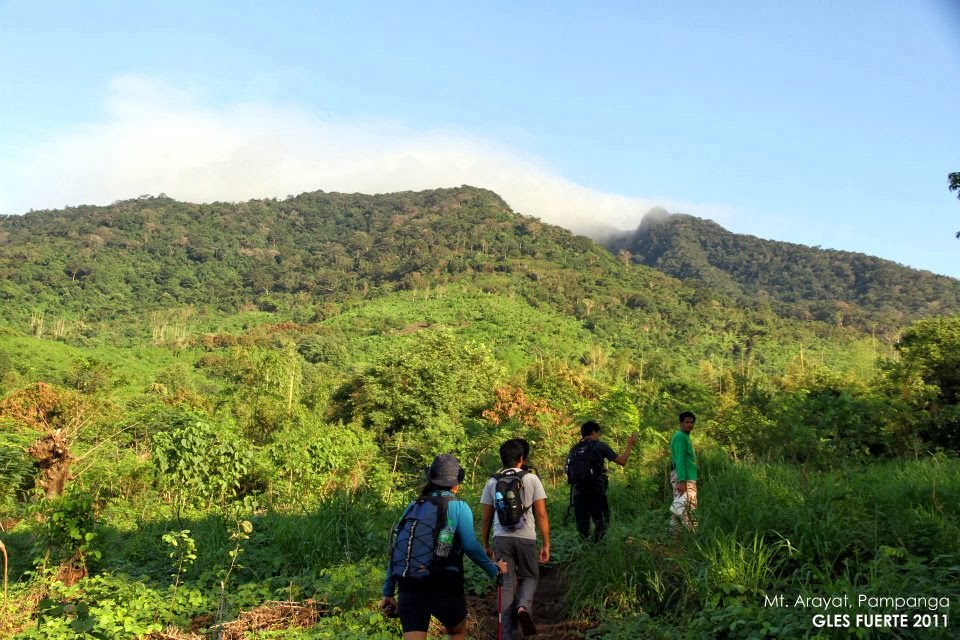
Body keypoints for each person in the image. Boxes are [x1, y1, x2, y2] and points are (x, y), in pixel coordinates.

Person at [381, 454, 508, 640]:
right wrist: (493, 570)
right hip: (445, 584)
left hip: (409, 584)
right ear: (456, 484)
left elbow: (399, 547)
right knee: (456, 632)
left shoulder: (413, 506)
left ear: (431, 479)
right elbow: (471, 547)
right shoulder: (459, 507)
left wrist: (388, 591)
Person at [480, 438, 549, 639]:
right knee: (530, 575)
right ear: (522, 458)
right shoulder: (531, 479)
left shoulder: (492, 481)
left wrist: (485, 544)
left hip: (501, 538)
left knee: (506, 583)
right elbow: (542, 514)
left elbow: (486, 517)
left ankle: (507, 634)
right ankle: (523, 607)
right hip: (526, 537)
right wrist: (546, 543)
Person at [567, 420, 637, 543]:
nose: (598, 437)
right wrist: (630, 444)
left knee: (582, 528)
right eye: (598, 434)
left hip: (578, 493)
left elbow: (567, 470)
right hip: (596, 491)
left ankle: (585, 550)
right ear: (594, 432)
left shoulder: (573, 450)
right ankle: (597, 547)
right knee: (602, 521)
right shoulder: (600, 445)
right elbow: (622, 461)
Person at [670, 411, 698, 532]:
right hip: (684, 478)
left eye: (692, 422)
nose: (690, 424)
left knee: (679, 508)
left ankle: (674, 537)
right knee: (688, 508)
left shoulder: (685, 437)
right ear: (681, 423)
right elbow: (680, 459)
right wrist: (682, 481)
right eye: (687, 422)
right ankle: (692, 536)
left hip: (688, 477)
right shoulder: (680, 437)